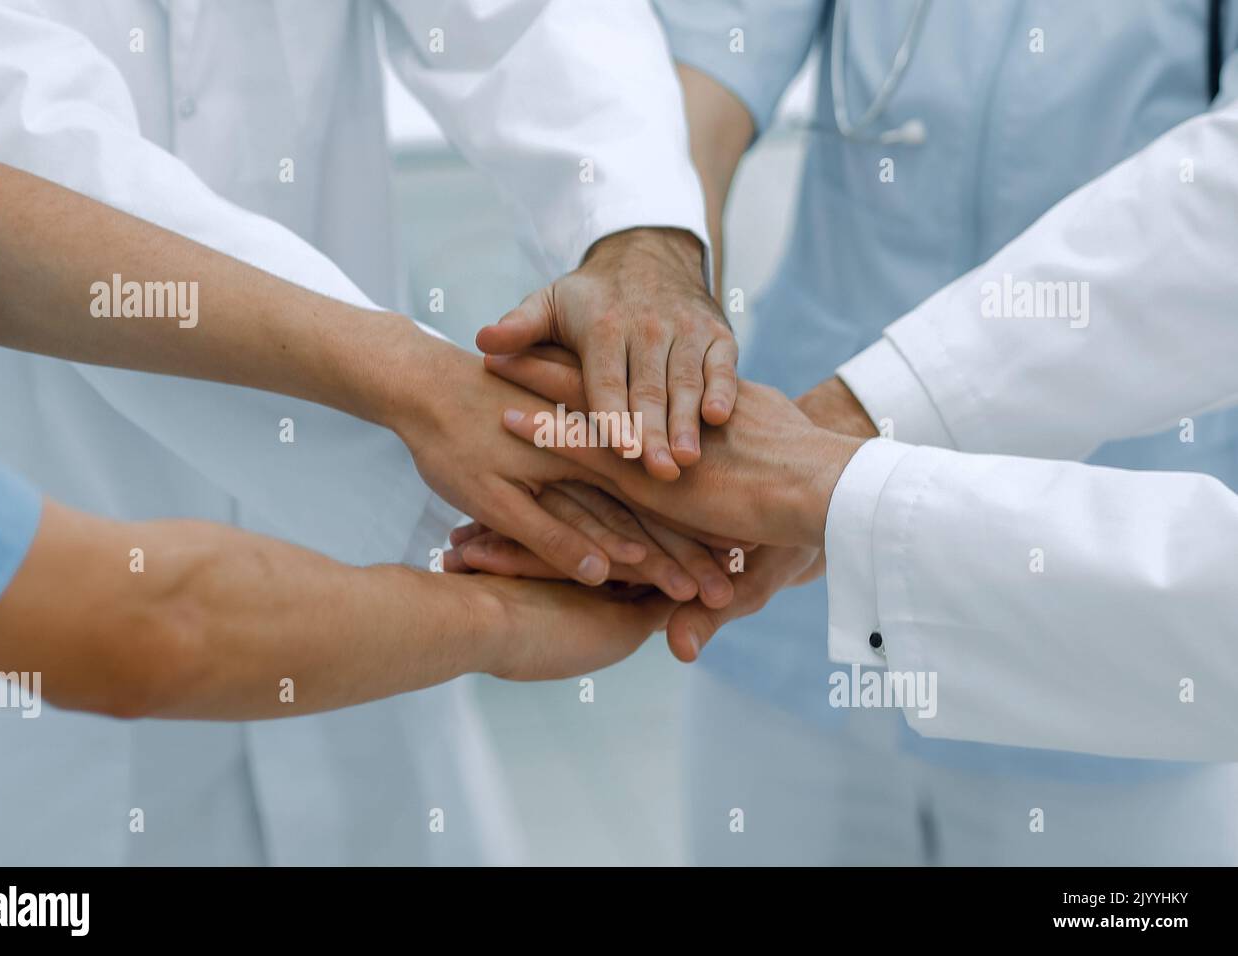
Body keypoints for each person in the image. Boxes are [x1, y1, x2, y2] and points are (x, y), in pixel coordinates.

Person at [0, 0, 727, 866]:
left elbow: (518, 19)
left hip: (377, 652)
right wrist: (436, 407)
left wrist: (634, 233)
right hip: (37, 585)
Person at [467, 0, 1238, 864]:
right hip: (779, 587)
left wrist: (835, 440)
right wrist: (647, 275)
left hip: (1092, 604)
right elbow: (707, 65)